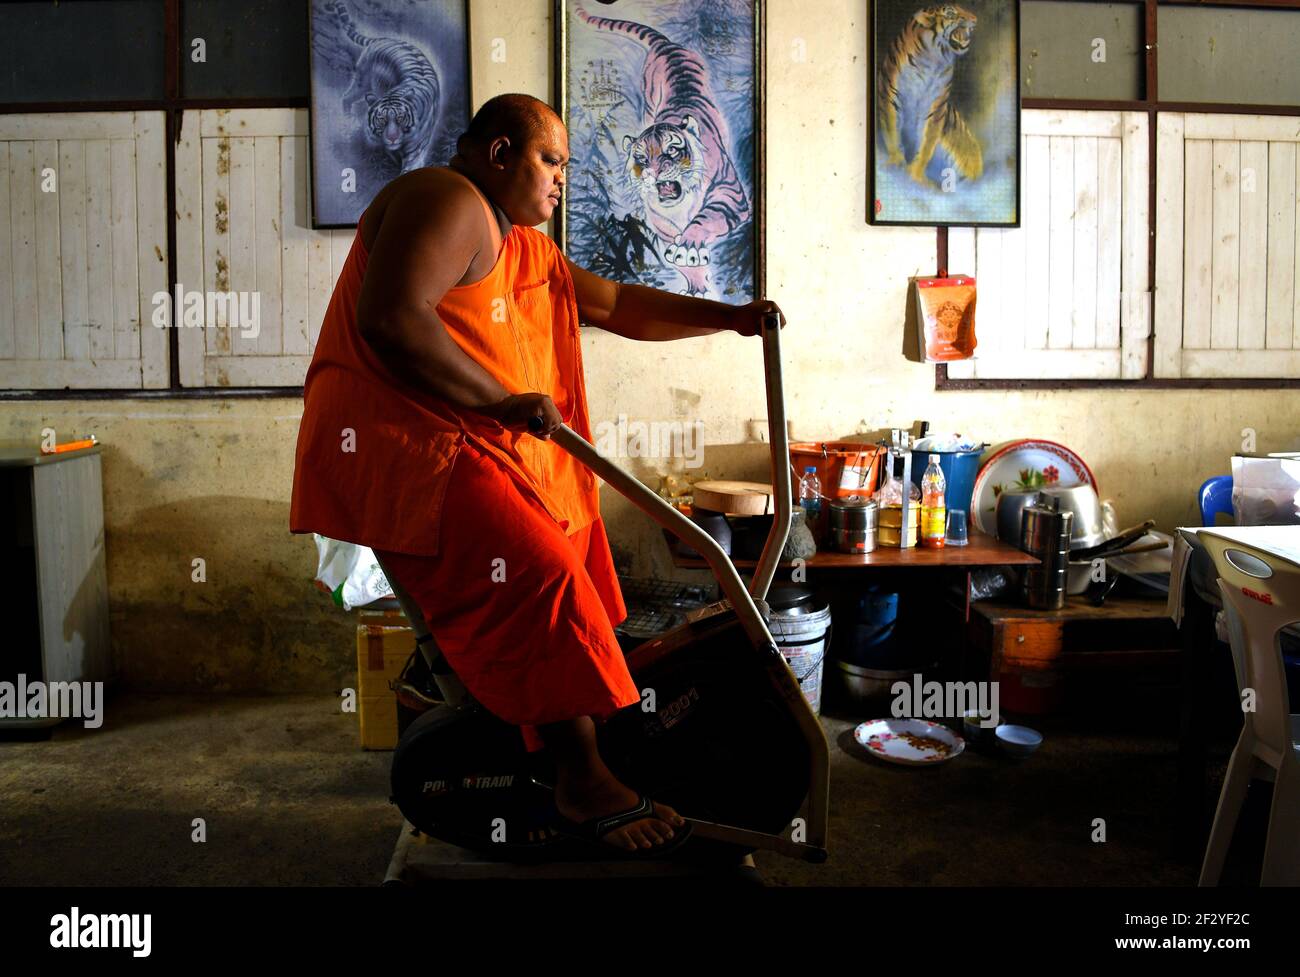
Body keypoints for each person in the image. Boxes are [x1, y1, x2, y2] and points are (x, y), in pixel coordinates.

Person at [290, 93, 785, 854]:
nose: (559, 178)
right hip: (405, 446)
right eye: (550, 160)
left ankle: (509, 718)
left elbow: (615, 303)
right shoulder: (448, 198)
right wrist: (504, 398)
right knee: (541, 569)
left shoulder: (521, 243)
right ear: (497, 154)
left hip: (463, 441)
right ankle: (581, 777)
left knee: (572, 548)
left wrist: (729, 316)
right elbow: (391, 319)